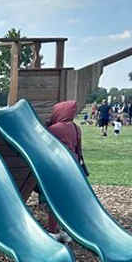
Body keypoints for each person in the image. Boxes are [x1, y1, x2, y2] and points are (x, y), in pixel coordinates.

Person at [45, 100, 85, 242]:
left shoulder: (54, 129)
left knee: (55, 199)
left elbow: (45, 146)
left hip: (59, 167)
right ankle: (67, 230)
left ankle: (53, 230)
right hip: (74, 167)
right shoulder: (76, 128)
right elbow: (78, 149)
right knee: (69, 199)